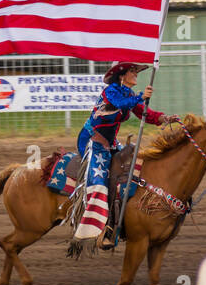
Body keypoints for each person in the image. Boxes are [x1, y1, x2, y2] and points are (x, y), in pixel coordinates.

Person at [70, 62, 177, 250]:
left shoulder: (130, 95)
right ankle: (96, 227)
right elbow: (119, 104)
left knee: (132, 167)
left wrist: (164, 118)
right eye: (133, 71)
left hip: (110, 142)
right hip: (92, 140)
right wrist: (140, 97)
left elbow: (147, 114)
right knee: (98, 180)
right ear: (122, 76)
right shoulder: (111, 91)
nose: (136, 74)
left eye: (136, 71)